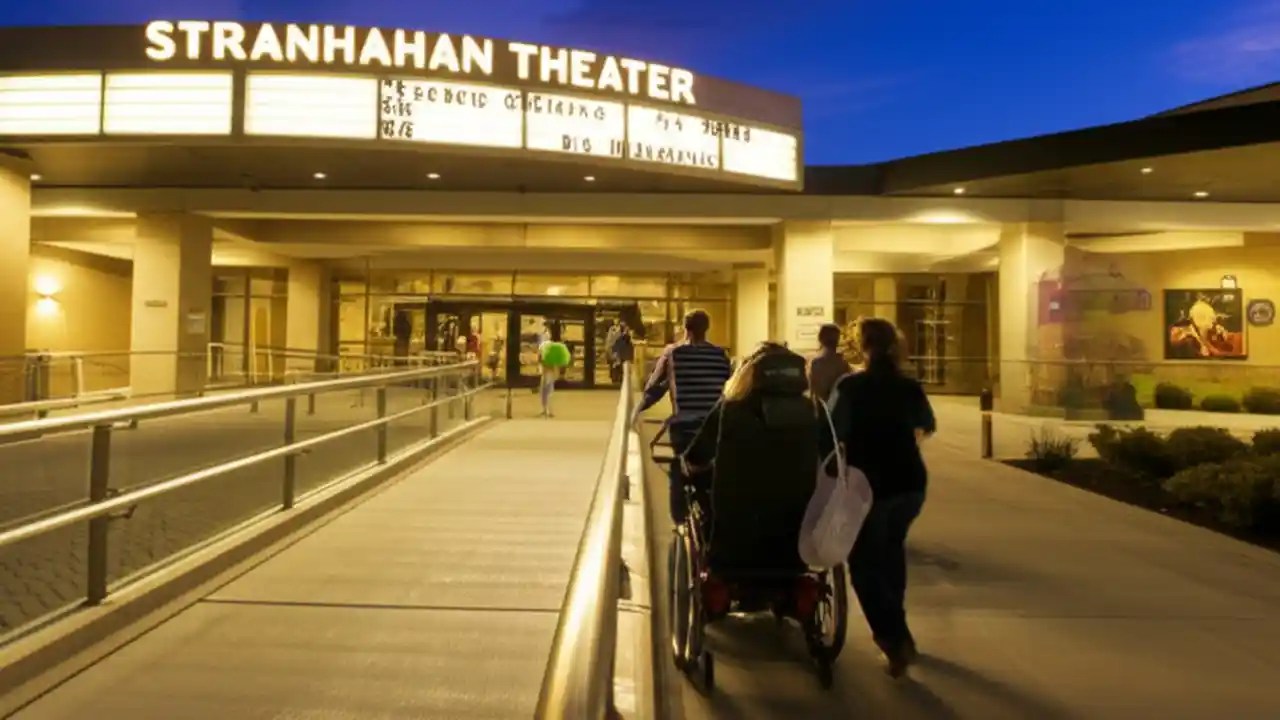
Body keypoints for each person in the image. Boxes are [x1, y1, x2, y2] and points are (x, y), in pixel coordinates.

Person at [826, 318, 936, 678]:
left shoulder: (852, 386)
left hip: (870, 486)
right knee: (891, 554)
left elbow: (830, 432)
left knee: (862, 566)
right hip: (910, 483)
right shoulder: (908, 386)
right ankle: (900, 633)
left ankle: (893, 639)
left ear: (861, 345)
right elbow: (926, 425)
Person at [680, 343, 822, 572]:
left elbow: (697, 455)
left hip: (735, 537)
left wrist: (691, 471)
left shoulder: (731, 408)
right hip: (793, 538)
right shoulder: (812, 410)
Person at [633, 309, 732, 523]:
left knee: (678, 468)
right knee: (715, 470)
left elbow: (654, 388)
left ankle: (679, 521)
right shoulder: (719, 355)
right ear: (707, 329)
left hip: (685, 427)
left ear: (685, 329)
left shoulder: (673, 353)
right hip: (716, 427)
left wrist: (634, 412)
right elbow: (730, 389)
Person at [808, 323, 851, 402]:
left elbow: (813, 392)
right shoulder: (843, 363)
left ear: (820, 339)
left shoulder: (816, 363)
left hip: (823, 407)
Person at [538, 336, 571, 417]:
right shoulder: (556, 350)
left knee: (545, 391)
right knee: (549, 391)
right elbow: (559, 364)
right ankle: (548, 409)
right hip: (550, 372)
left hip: (546, 371)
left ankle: (545, 409)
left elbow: (540, 360)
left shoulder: (544, 347)